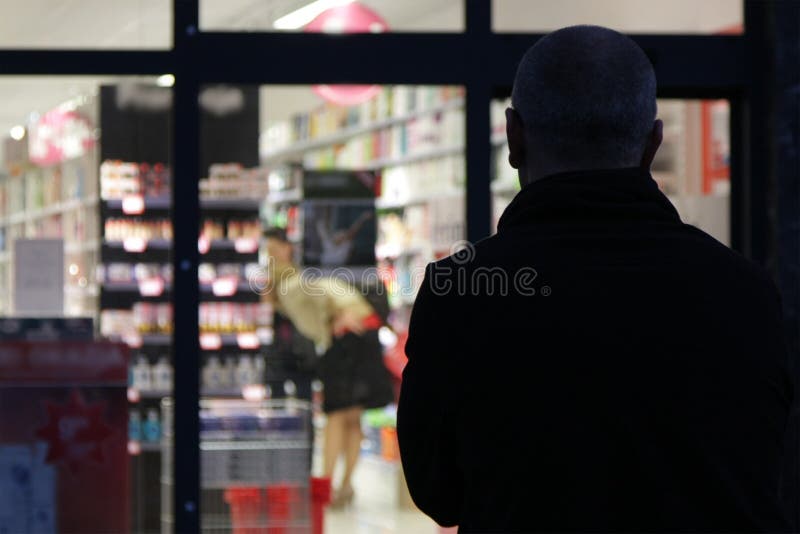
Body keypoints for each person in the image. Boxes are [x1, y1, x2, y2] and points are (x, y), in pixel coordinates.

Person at [397, 25, 794, 532]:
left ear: (514, 138)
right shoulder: (746, 292)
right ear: (653, 142)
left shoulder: (461, 292)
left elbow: (438, 492)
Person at [262, 227, 393, 507]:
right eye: (269, 252)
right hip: (351, 339)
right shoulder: (286, 281)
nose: (274, 256)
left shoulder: (293, 279)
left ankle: (335, 485)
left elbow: (320, 302)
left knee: (345, 416)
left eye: (276, 249)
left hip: (352, 340)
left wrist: (336, 316)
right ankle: (335, 485)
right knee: (342, 416)